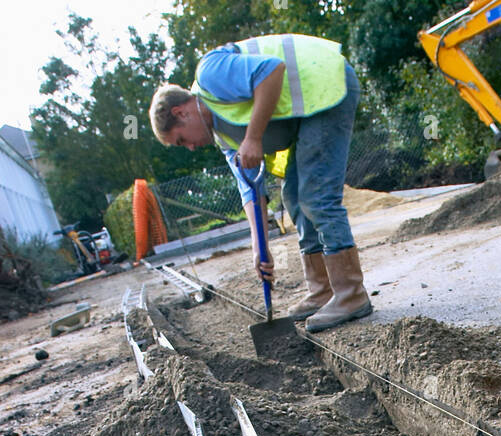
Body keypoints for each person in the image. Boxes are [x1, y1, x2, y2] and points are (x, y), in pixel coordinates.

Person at [148, 34, 371, 332]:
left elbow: (272, 70)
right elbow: (249, 189)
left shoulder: (210, 74)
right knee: (293, 195)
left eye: (181, 140)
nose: (189, 147)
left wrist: (253, 138)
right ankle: (323, 290)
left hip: (325, 82)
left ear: (181, 112)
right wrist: (259, 246)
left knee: (316, 194)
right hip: (310, 111)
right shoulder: (225, 137)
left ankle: (351, 294)